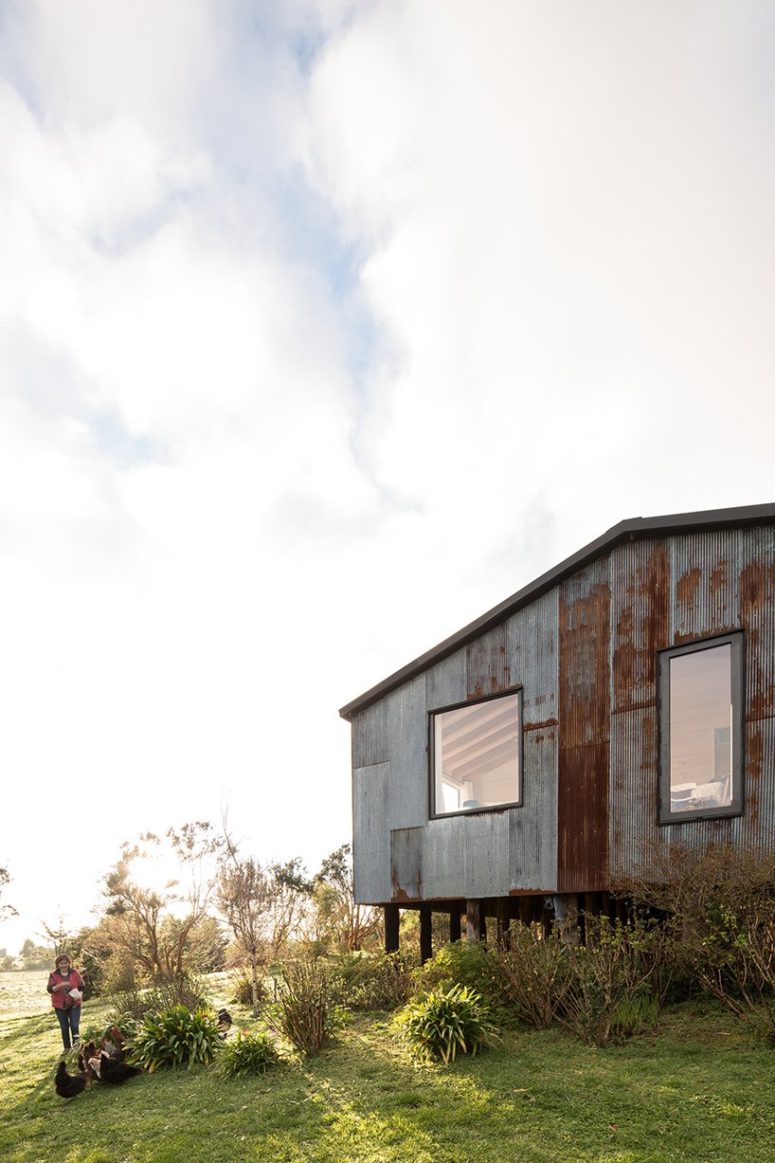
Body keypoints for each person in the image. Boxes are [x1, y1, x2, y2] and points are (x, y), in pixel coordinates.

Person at [47, 953, 85, 1051]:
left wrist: (79, 994)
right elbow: (50, 989)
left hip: (74, 1004)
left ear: (69, 963)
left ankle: (77, 1048)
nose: (63, 965)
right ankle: (67, 1049)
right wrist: (60, 986)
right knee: (64, 1027)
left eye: (65, 963)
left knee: (74, 1025)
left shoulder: (74, 973)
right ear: (58, 964)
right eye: (61, 963)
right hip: (60, 1006)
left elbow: (82, 986)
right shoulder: (53, 975)